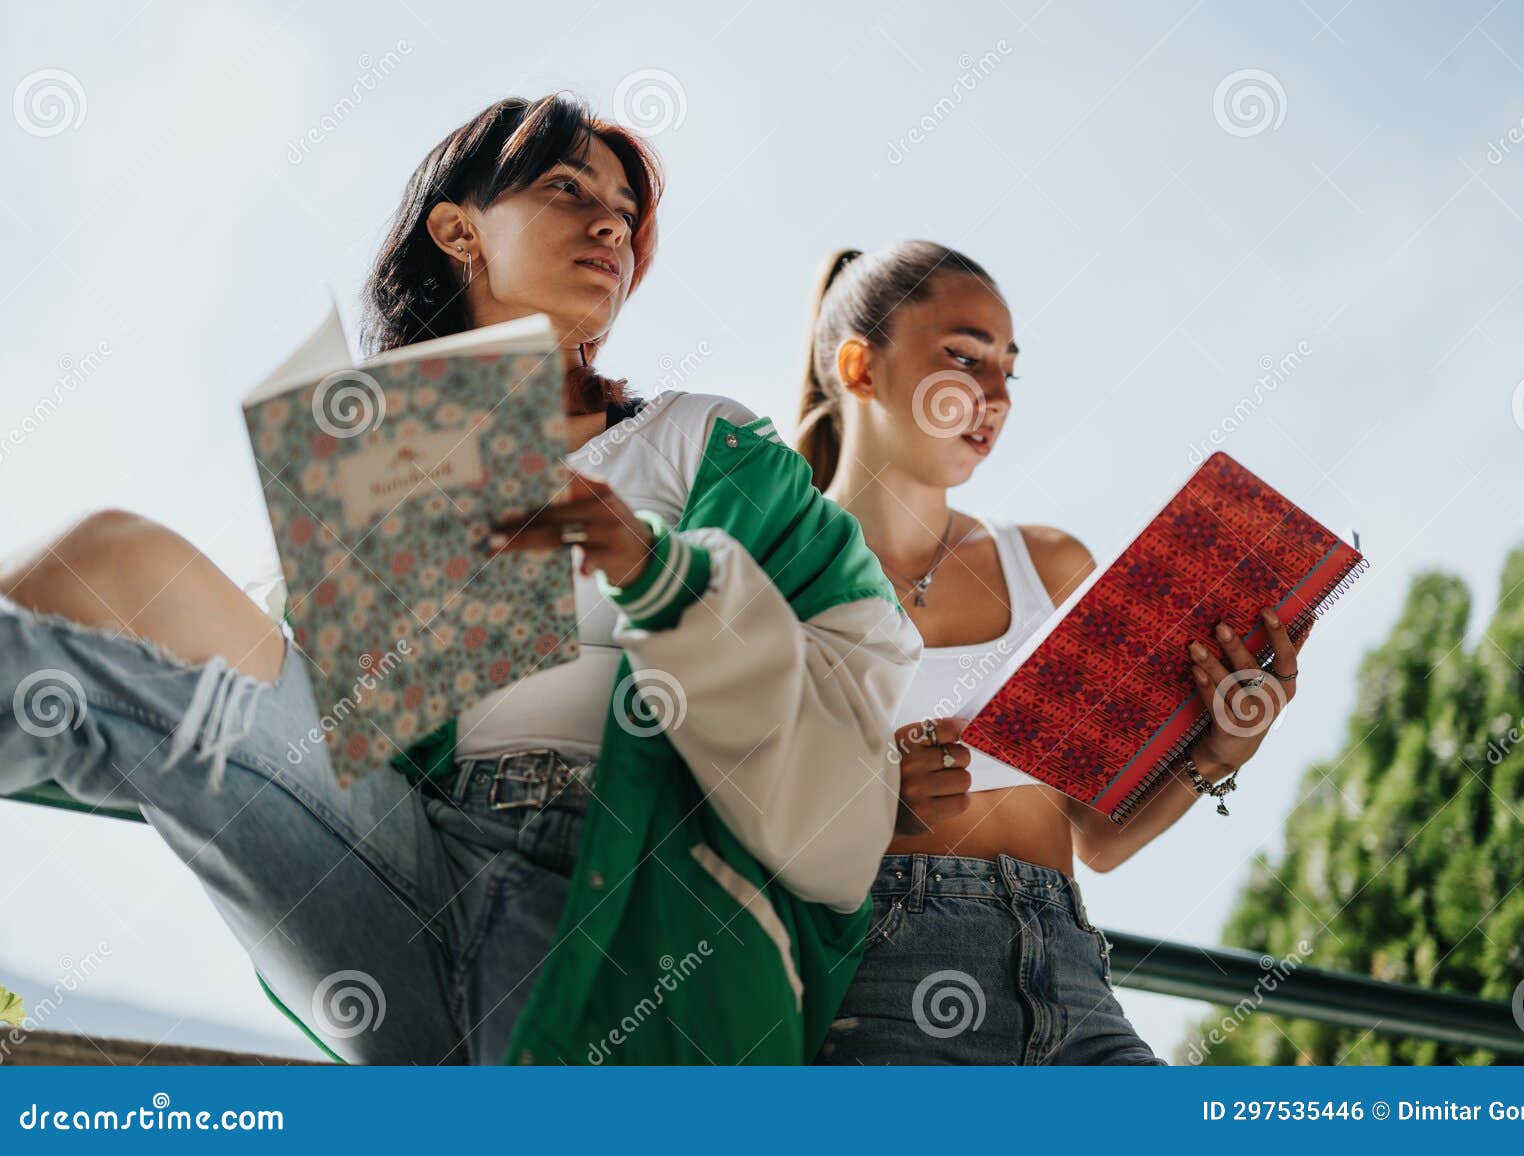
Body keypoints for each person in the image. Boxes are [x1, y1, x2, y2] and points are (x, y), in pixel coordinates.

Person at [0, 95, 920, 1065]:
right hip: (394, 860)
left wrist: (660, 576)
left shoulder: (702, 441)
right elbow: (307, 716)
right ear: (458, 230)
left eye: (624, 209)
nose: (611, 222)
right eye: (566, 189)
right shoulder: (376, 464)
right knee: (110, 561)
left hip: (616, 894)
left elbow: (841, 801)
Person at [793, 242, 1311, 1064]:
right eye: (965, 357)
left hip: (1071, 975)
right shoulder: (771, 571)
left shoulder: (1052, 567)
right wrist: (858, 806)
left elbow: (1100, 840)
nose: (996, 396)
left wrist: (1217, 748)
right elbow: (703, 817)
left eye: (1010, 369)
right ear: (860, 367)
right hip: (878, 979)